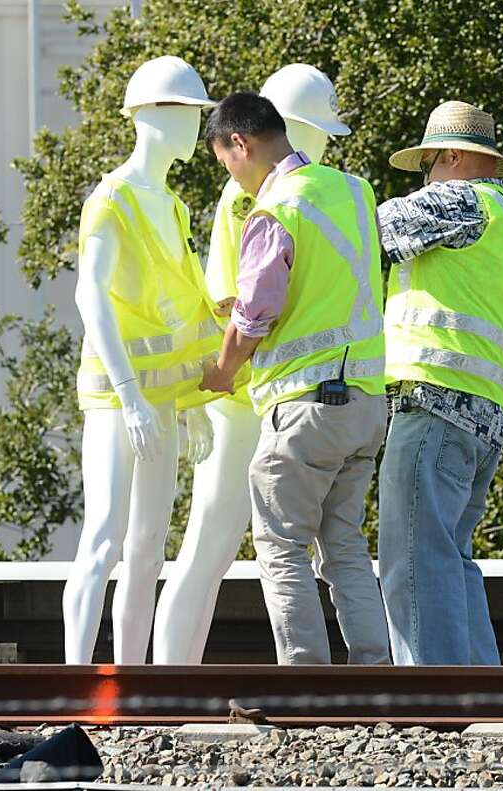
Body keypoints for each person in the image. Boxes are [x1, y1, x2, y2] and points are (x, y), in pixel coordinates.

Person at [153, 64, 351, 665]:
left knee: (243, 546)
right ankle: (166, 681)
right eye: (311, 132)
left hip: (280, 393)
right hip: (248, 395)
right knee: (212, 545)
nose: (318, 147)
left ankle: (170, 682)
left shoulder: (300, 191)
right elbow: (238, 303)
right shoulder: (251, 198)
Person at [199, 92, 391, 665]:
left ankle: (305, 679)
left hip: (305, 407)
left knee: (281, 544)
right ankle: (375, 671)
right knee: (345, 545)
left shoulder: (276, 210)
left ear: (242, 144)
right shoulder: (354, 189)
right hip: (365, 404)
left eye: (226, 162)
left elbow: (255, 314)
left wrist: (222, 371)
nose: (232, 177)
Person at [62, 56, 226, 664]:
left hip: (162, 403)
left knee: (149, 544)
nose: (200, 131)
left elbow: (180, 310)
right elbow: (90, 296)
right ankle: (78, 680)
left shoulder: (174, 206)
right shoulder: (112, 200)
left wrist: (191, 405)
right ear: (156, 116)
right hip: (117, 400)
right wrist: (130, 394)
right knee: (103, 539)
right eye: (192, 116)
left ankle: (130, 683)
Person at [376, 100, 503, 666]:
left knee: (413, 560)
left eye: (428, 166)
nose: (425, 181)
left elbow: (368, 232)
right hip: (483, 414)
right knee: (451, 557)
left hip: (434, 404)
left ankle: (430, 698)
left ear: (453, 156)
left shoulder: (459, 199)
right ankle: (482, 691)